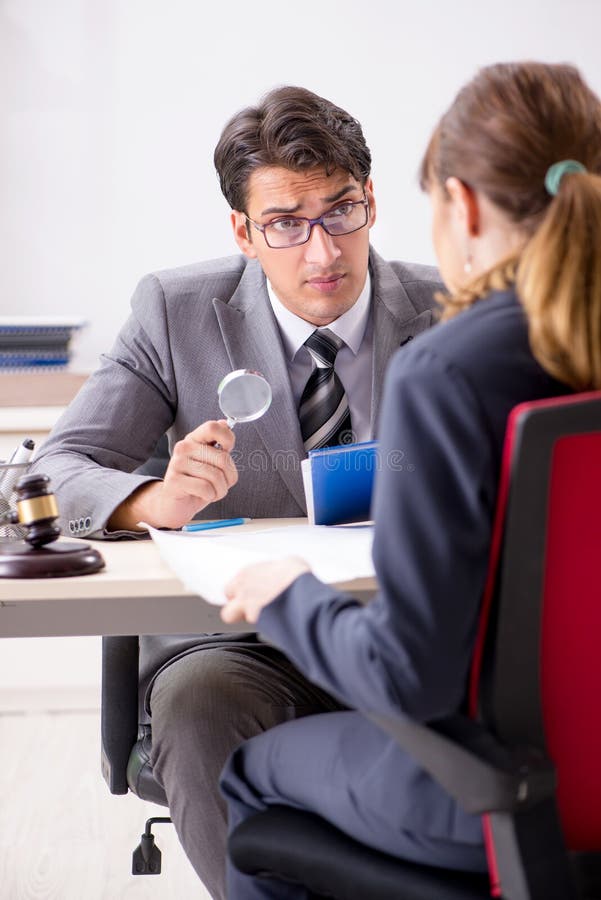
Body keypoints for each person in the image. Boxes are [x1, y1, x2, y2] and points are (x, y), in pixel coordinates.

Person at [31, 86, 441, 898]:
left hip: (410, 629)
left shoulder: (448, 306)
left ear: (371, 203)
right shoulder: (177, 310)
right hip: (241, 642)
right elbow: (49, 472)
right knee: (198, 701)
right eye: (286, 223)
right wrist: (153, 500)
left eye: (341, 211)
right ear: (243, 233)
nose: (321, 251)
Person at [219, 61, 601, 898]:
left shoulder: (448, 370)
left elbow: (408, 676)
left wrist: (287, 595)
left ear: (459, 205)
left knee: (253, 773)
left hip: (513, 795)